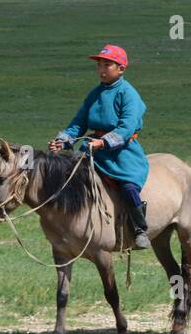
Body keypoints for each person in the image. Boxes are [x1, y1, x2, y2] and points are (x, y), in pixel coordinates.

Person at [49, 43, 151, 249]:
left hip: (123, 154)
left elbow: (127, 127)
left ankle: (140, 229)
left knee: (128, 186)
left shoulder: (129, 94)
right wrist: (62, 141)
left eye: (107, 65)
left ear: (121, 68)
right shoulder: (94, 94)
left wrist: (104, 142)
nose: (101, 70)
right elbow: (78, 123)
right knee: (68, 176)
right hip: (93, 150)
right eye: (99, 65)